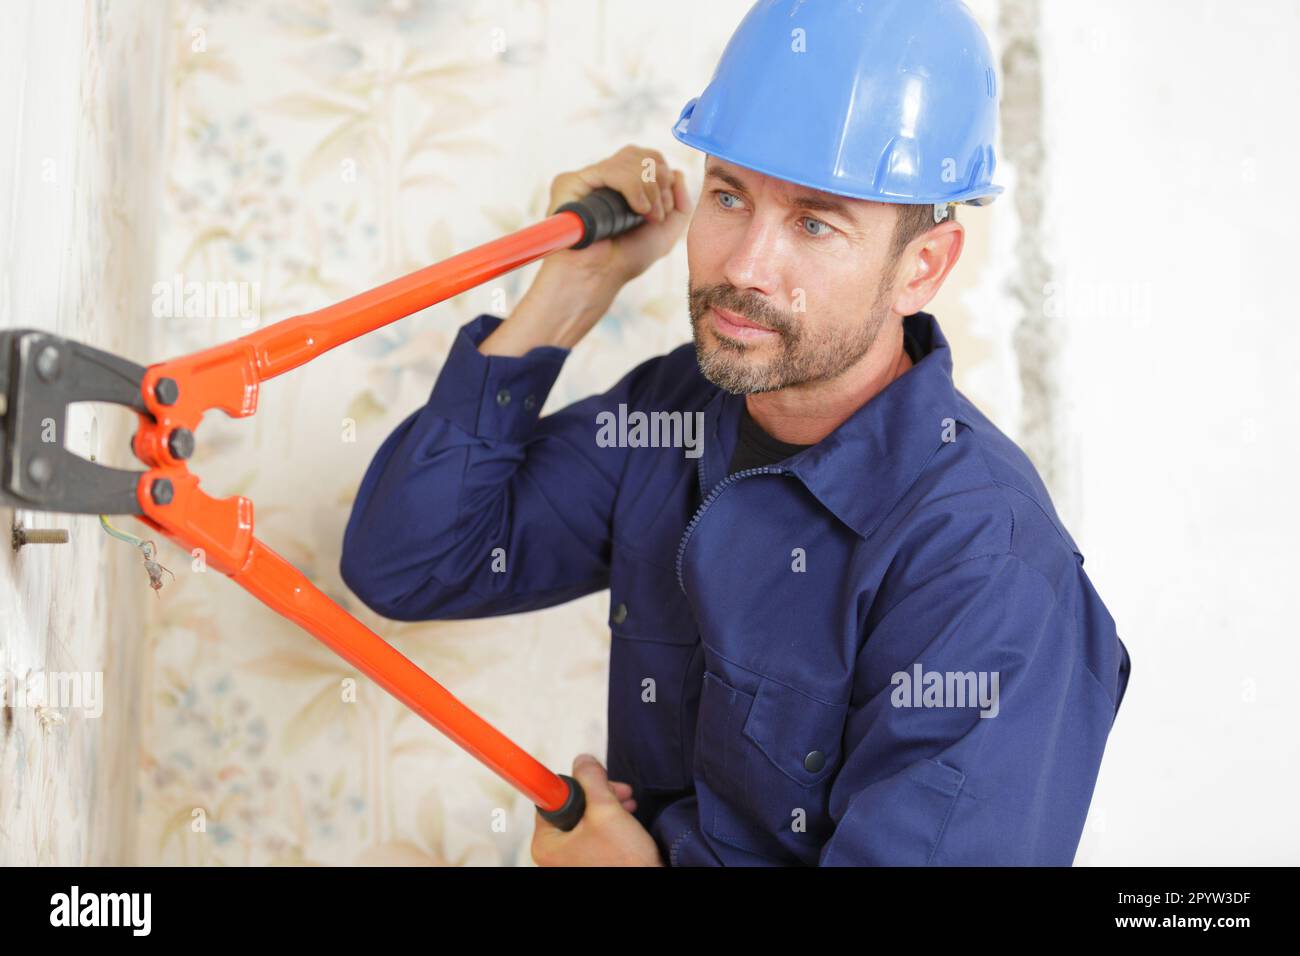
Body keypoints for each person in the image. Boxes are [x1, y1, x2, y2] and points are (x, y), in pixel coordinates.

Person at [340, 0, 1131, 866]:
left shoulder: (986, 569)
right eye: (729, 195)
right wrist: (569, 293)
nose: (744, 268)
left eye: (815, 221)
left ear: (923, 267)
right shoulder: (678, 411)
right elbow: (410, 562)